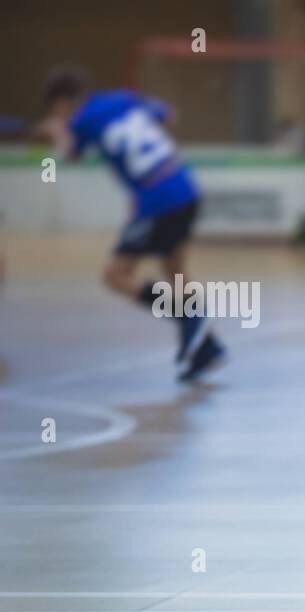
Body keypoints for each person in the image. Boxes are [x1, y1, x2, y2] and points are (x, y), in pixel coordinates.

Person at [39, 68, 225, 382]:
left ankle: (188, 318)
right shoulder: (122, 98)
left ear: (61, 102)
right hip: (183, 185)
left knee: (116, 275)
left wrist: (57, 132)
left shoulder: (79, 121)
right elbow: (169, 115)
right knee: (175, 270)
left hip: (158, 200)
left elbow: (71, 155)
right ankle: (206, 346)